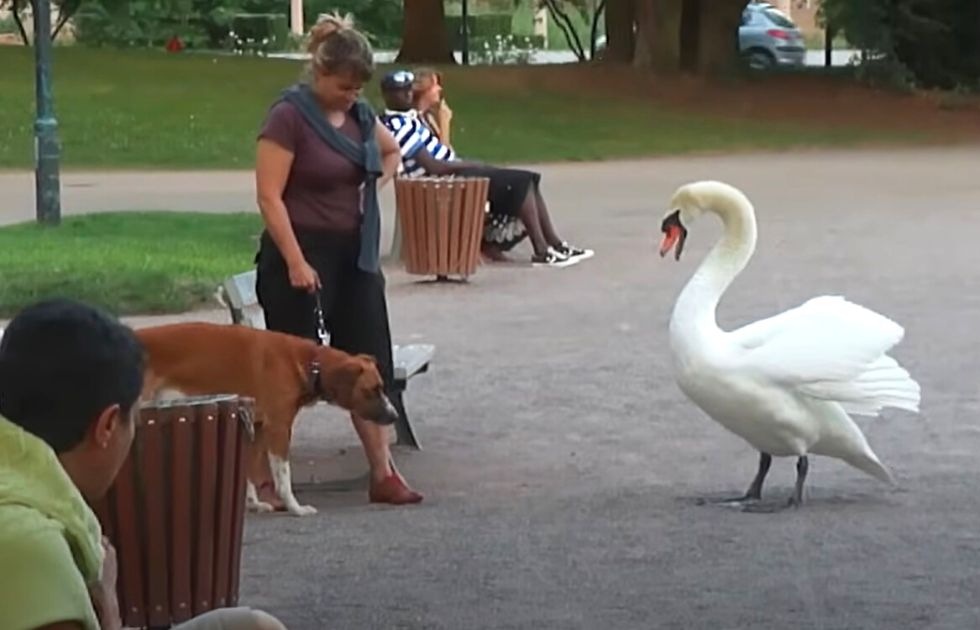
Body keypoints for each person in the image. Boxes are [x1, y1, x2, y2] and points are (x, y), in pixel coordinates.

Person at [0, 298, 288, 630]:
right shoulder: (30, 547)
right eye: (134, 416)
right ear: (107, 426)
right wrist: (108, 603)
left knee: (252, 626)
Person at [253, 12, 422, 507]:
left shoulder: (361, 118)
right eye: (344, 86)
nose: (351, 96)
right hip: (299, 252)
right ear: (320, 73)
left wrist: (374, 181)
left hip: (355, 257)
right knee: (287, 374)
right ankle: (264, 477)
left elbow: (391, 154)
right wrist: (296, 260)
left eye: (357, 88)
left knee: (368, 362)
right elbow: (268, 196)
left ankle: (382, 473)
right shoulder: (288, 116)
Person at [378, 68, 594, 267]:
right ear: (387, 95)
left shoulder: (411, 119)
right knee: (520, 182)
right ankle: (541, 250)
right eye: (398, 92)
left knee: (529, 179)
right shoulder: (398, 126)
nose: (405, 95)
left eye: (407, 90)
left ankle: (554, 244)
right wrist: (471, 163)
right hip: (442, 182)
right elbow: (434, 167)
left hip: (451, 176)